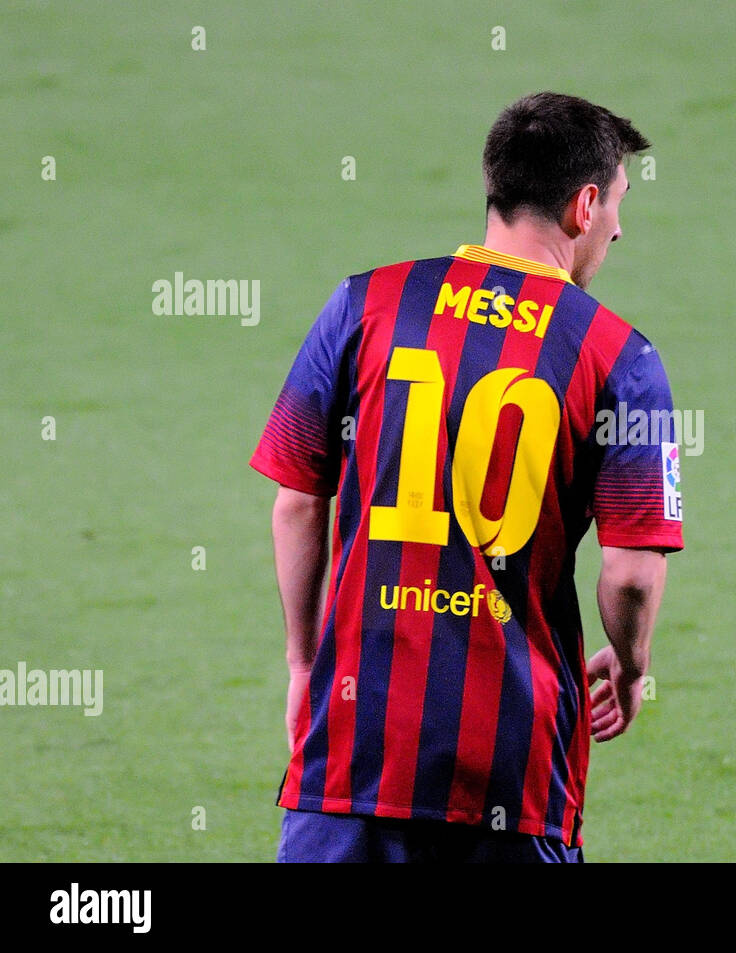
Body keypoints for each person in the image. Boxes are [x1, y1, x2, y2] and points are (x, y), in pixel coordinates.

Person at [249, 92, 683, 862]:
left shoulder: (365, 304)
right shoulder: (619, 356)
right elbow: (631, 577)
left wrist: (301, 663)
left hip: (353, 748)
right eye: (619, 202)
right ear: (585, 205)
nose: (619, 227)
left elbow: (296, 501)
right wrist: (634, 663)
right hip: (512, 774)